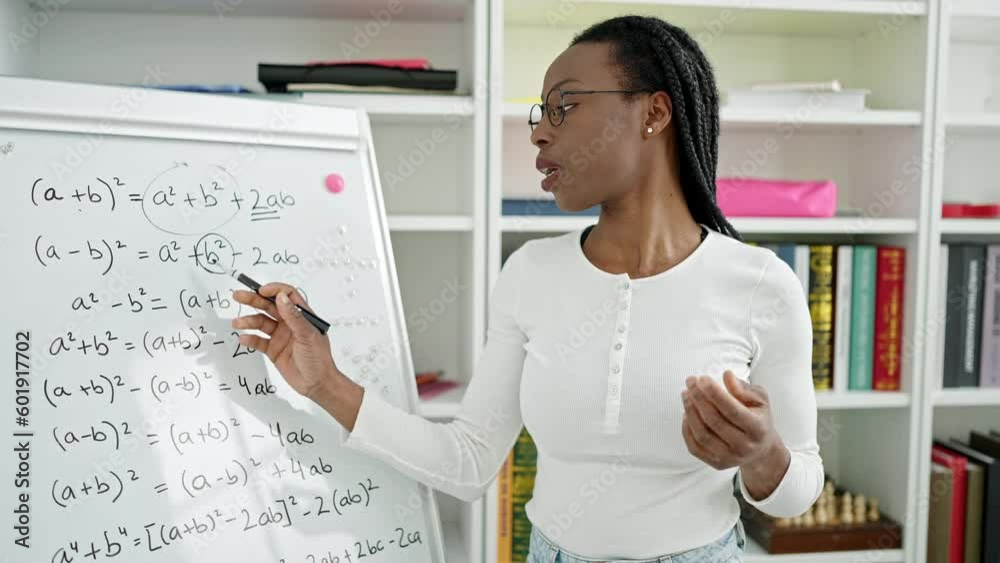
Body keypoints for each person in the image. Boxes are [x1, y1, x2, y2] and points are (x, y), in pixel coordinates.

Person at [231, 14, 822, 563]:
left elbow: (798, 490)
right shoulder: (531, 273)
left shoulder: (761, 284)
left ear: (655, 112)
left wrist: (761, 454)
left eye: (564, 106)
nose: (540, 133)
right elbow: (467, 462)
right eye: (540, 113)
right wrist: (323, 382)